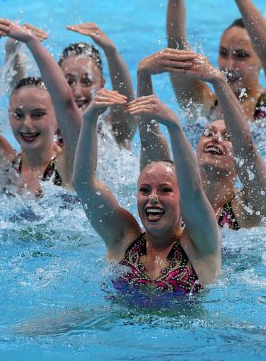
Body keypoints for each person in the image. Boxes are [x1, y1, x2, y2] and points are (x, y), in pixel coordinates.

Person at [72, 90, 221, 295]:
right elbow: (83, 185)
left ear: (182, 198)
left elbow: (194, 192)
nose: (152, 198)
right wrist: (89, 120)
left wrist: (174, 127)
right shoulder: (123, 238)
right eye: (144, 190)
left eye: (165, 190)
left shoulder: (200, 245)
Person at [137, 48, 266, 229]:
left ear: (240, 164)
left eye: (228, 137)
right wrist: (143, 75)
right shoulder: (173, 200)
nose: (216, 139)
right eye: (208, 133)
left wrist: (218, 81)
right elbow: (149, 143)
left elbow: (247, 149)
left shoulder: (247, 210)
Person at [0, 18, 81, 195]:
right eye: (18, 115)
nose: (27, 124)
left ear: (58, 119)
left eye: (38, 115)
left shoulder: (70, 164)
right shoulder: (4, 164)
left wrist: (31, 42)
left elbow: (66, 103)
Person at [61, 22, 136, 147]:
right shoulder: (47, 131)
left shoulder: (113, 131)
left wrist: (111, 52)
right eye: (69, 82)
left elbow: (126, 105)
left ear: (102, 84)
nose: (78, 92)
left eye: (87, 82)